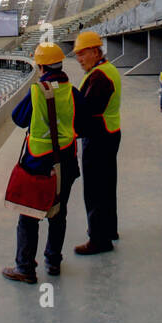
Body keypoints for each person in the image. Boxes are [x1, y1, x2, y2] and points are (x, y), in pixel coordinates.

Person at [0, 42, 80, 284]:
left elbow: (19, 118)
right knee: (59, 212)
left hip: (38, 164)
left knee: (29, 215)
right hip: (66, 162)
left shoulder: (38, 90)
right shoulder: (71, 91)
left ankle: (25, 268)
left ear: (41, 66)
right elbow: (82, 124)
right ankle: (53, 261)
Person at [70, 30, 121, 255]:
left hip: (99, 137)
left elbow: (88, 113)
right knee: (107, 185)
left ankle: (99, 239)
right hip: (110, 133)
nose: (79, 59)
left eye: (82, 54)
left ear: (94, 51)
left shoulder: (99, 76)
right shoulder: (106, 70)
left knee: (95, 189)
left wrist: (70, 131)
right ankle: (109, 230)